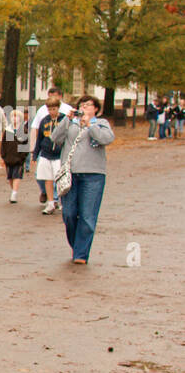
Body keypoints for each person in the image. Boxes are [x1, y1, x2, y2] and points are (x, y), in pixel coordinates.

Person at [52, 94, 114, 264]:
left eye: (88, 105)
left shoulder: (101, 124)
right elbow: (55, 138)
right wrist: (67, 120)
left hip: (93, 175)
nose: (84, 107)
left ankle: (80, 254)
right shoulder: (70, 123)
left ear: (95, 108)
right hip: (71, 174)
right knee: (69, 213)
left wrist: (90, 124)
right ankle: (78, 245)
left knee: (87, 215)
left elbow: (106, 139)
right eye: (82, 104)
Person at [31, 94, 67, 214]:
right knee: (47, 179)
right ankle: (50, 203)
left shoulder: (64, 120)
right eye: (50, 109)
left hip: (58, 155)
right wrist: (35, 154)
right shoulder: (44, 120)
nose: (52, 111)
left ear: (58, 108)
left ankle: (61, 201)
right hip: (46, 153)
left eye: (54, 109)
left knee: (60, 179)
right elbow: (39, 138)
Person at [0, 106, 29, 203]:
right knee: (10, 176)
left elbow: (25, 145)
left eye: (16, 117)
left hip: (18, 159)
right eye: (12, 117)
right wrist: (3, 156)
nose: (14, 119)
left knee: (17, 175)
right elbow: (3, 144)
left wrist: (22, 157)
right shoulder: (8, 130)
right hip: (8, 158)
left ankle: (14, 193)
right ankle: (13, 190)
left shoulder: (23, 130)